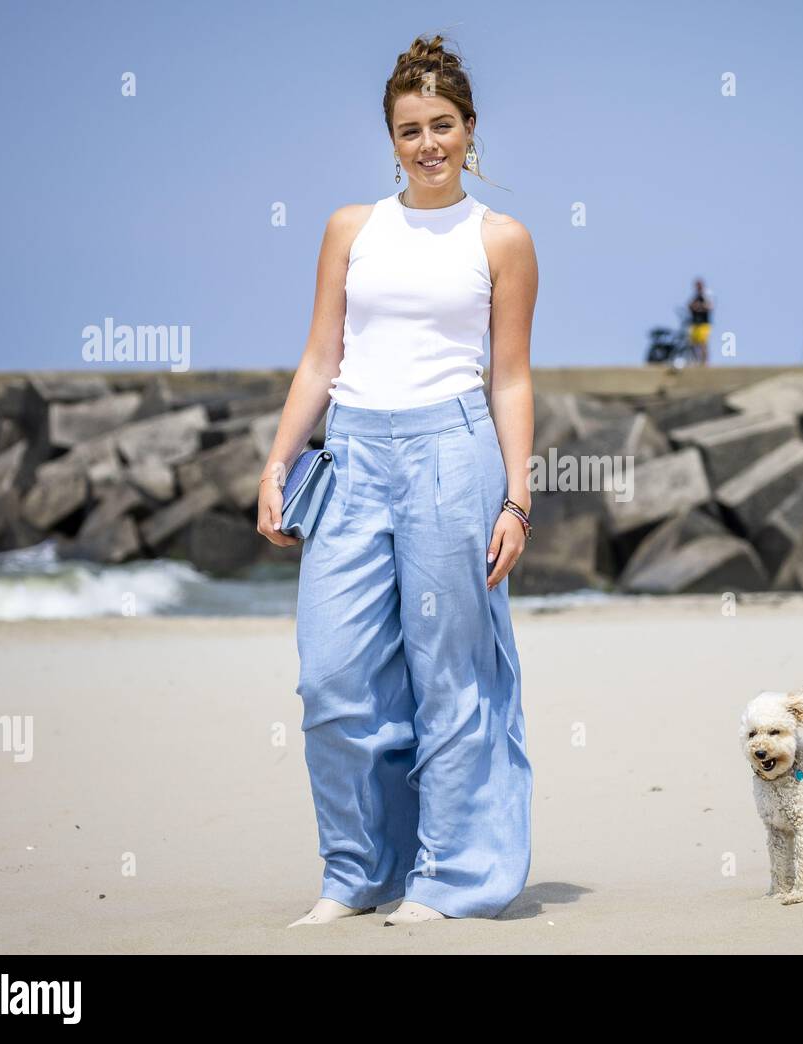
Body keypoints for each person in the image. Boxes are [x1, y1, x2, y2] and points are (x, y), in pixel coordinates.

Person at [257, 34, 538, 927]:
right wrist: (278, 462)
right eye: (410, 129)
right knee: (332, 679)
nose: (428, 144)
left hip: (455, 456)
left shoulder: (502, 239)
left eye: (442, 126)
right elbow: (318, 358)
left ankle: (451, 878)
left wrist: (517, 500)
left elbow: (512, 378)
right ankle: (358, 872)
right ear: (390, 136)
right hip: (351, 457)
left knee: (451, 676)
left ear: (469, 130)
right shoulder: (352, 227)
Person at [687, 278, 714, 365]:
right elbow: (690, 305)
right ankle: (696, 361)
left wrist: (700, 306)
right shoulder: (695, 296)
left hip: (704, 323)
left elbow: (710, 306)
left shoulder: (707, 295)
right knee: (693, 343)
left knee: (703, 343)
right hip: (695, 323)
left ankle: (705, 362)